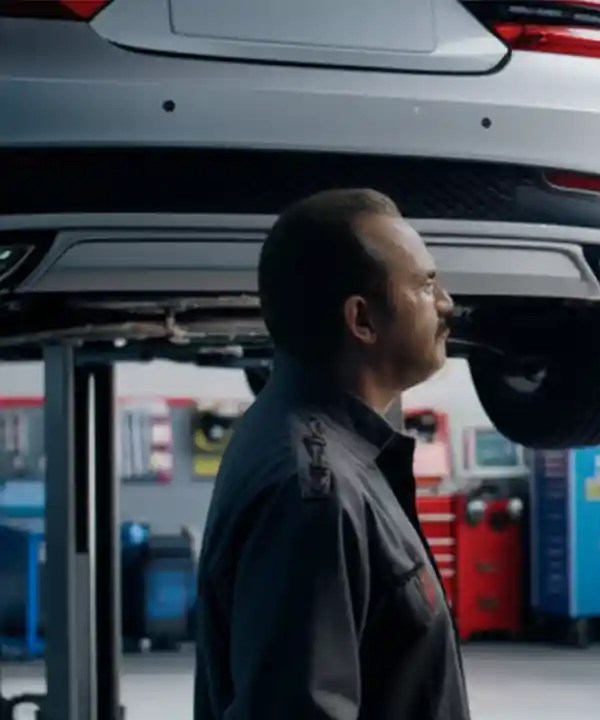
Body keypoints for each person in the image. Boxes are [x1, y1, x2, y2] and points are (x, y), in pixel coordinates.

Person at [194, 188, 468, 720]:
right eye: (426, 284)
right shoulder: (315, 491)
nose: (446, 304)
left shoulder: (328, 452)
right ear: (361, 320)